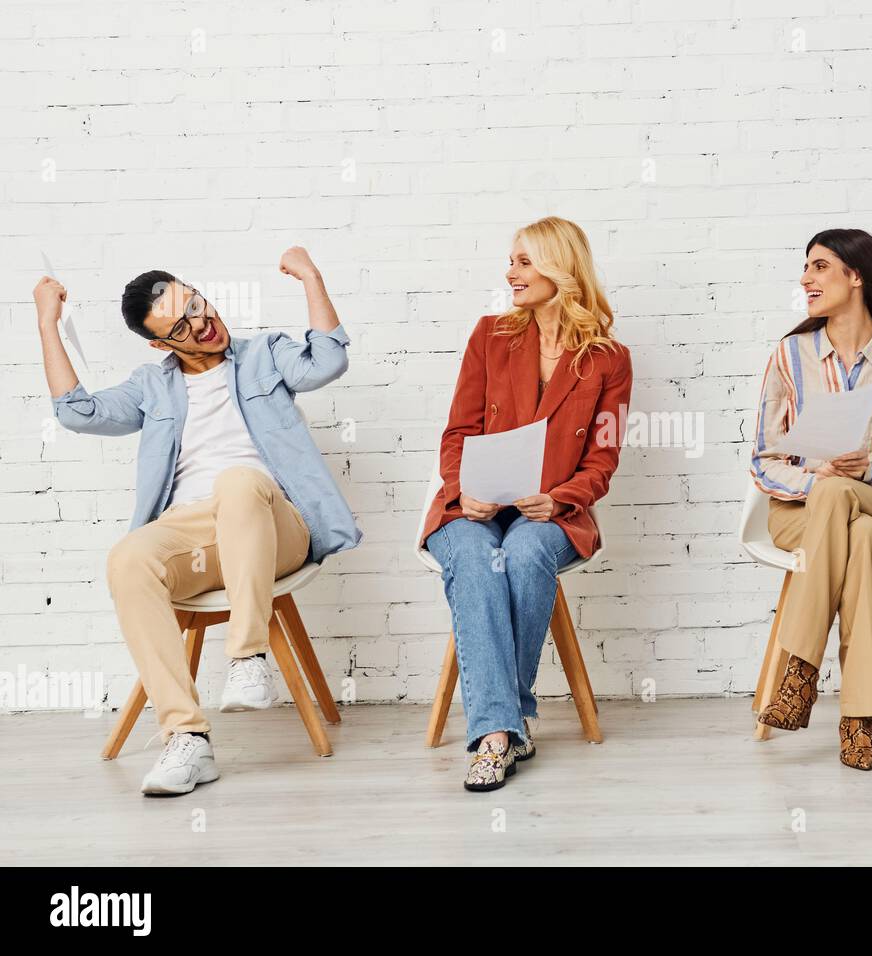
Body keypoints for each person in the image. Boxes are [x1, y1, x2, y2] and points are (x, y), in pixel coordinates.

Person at [36, 247, 361, 795]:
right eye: (181, 326)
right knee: (129, 556)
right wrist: (48, 321)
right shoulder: (152, 385)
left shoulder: (264, 354)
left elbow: (328, 359)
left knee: (237, 482)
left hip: (273, 522)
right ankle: (187, 739)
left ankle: (248, 655)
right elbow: (77, 412)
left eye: (197, 304)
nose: (202, 323)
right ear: (161, 344)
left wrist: (311, 276)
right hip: (197, 531)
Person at [420, 217, 632, 792]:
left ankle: (496, 728)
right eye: (511, 261)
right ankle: (505, 730)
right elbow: (457, 431)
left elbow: (603, 458)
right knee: (474, 560)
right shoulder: (490, 335)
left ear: (560, 269)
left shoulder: (608, 359)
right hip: (471, 506)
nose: (510, 272)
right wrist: (463, 489)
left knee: (522, 554)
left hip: (551, 514)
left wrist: (561, 498)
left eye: (524, 261)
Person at [751, 228, 872, 771]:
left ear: (856, 276)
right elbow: (764, 459)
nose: (806, 278)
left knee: (853, 504)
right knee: (858, 535)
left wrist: (870, 469)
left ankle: (799, 672)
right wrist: (820, 478)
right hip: (801, 512)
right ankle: (858, 718)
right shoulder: (790, 354)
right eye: (805, 267)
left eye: (820, 267)